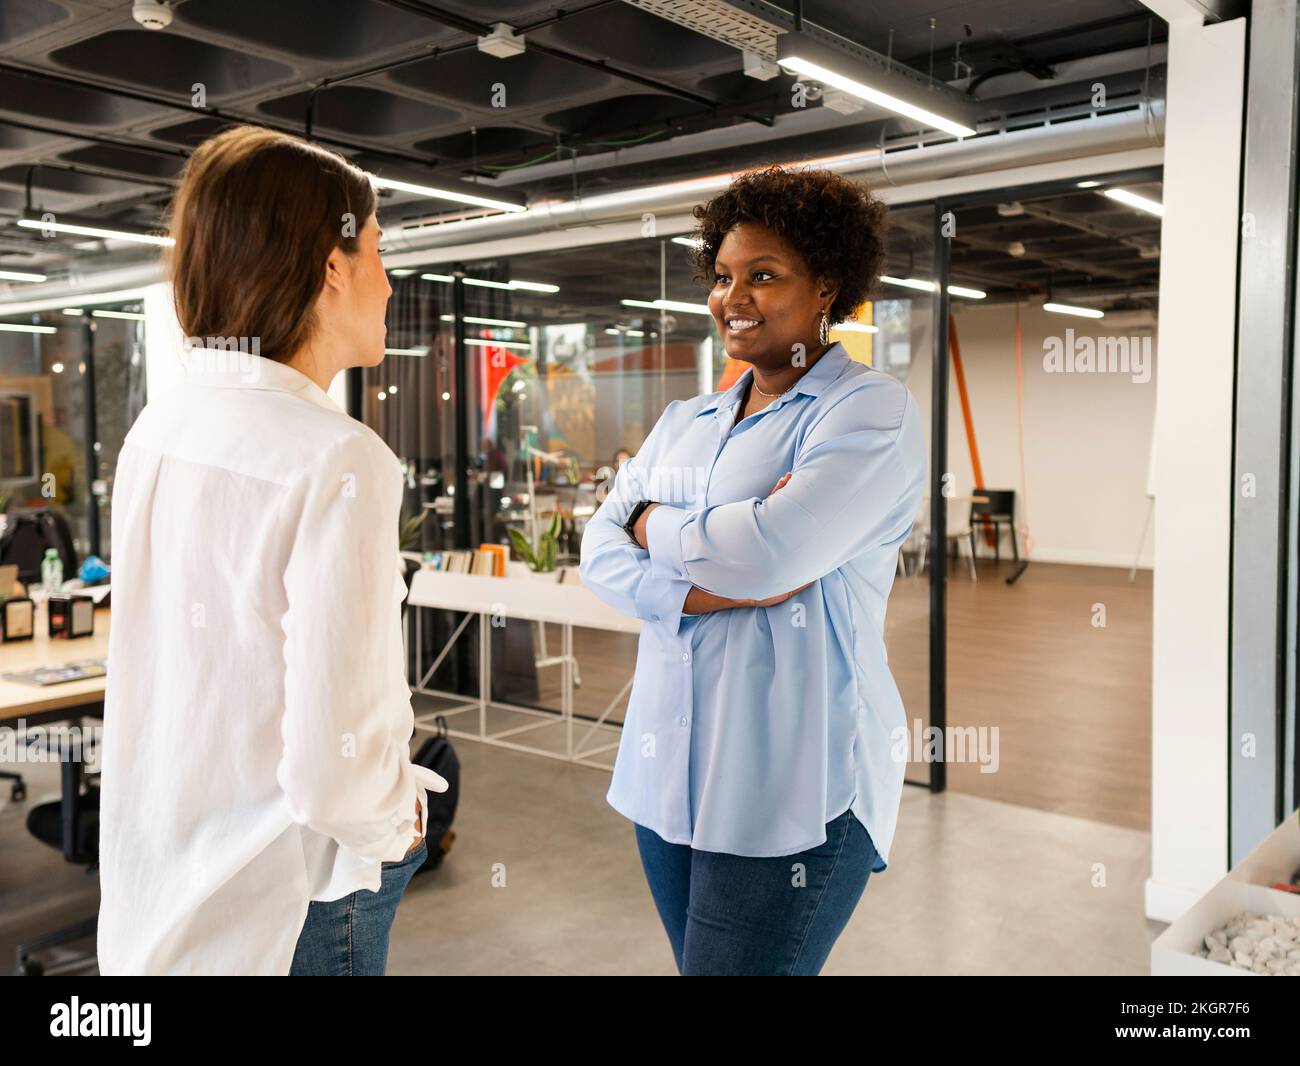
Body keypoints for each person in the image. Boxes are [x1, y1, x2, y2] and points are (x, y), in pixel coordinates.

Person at [98, 125, 447, 976]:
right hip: (292, 906)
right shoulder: (337, 456)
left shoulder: (160, 426)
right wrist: (398, 820)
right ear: (334, 266)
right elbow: (336, 771)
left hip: (164, 898)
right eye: (378, 251)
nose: (389, 280)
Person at [579, 164, 925, 975]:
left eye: (764, 276)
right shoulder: (685, 420)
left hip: (793, 786)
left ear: (826, 289)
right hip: (667, 777)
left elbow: (768, 553)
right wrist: (700, 575)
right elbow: (598, 548)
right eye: (725, 275)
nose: (734, 296)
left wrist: (651, 521)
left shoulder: (867, 410)